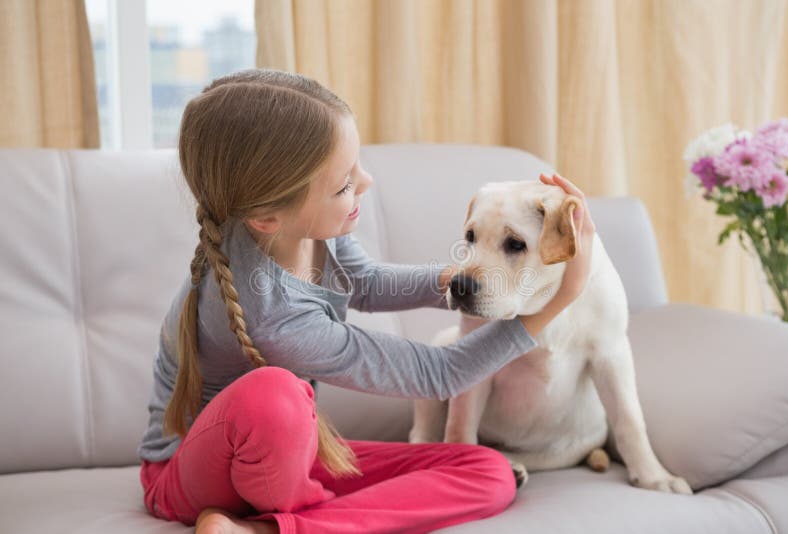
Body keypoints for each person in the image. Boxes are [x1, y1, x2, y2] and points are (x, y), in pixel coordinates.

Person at [136, 68, 596, 534]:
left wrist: (471, 282)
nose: (367, 183)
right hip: (191, 476)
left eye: (357, 167)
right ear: (266, 217)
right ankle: (284, 521)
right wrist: (561, 298)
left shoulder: (300, 226)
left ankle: (264, 528)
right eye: (344, 185)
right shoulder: (274, 318)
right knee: (275, 397)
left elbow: (368, 283)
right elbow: (440, 374)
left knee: (489, 471)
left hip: (288, 459)